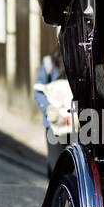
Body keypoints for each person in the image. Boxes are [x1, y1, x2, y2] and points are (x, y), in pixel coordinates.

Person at [33, 46, 72, 175]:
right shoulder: (49, 63)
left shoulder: (80, 60)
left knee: (76, 166)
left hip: (76, 122)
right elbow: (38, 90)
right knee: (56, 166)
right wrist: (48, 108)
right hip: (54, 123)